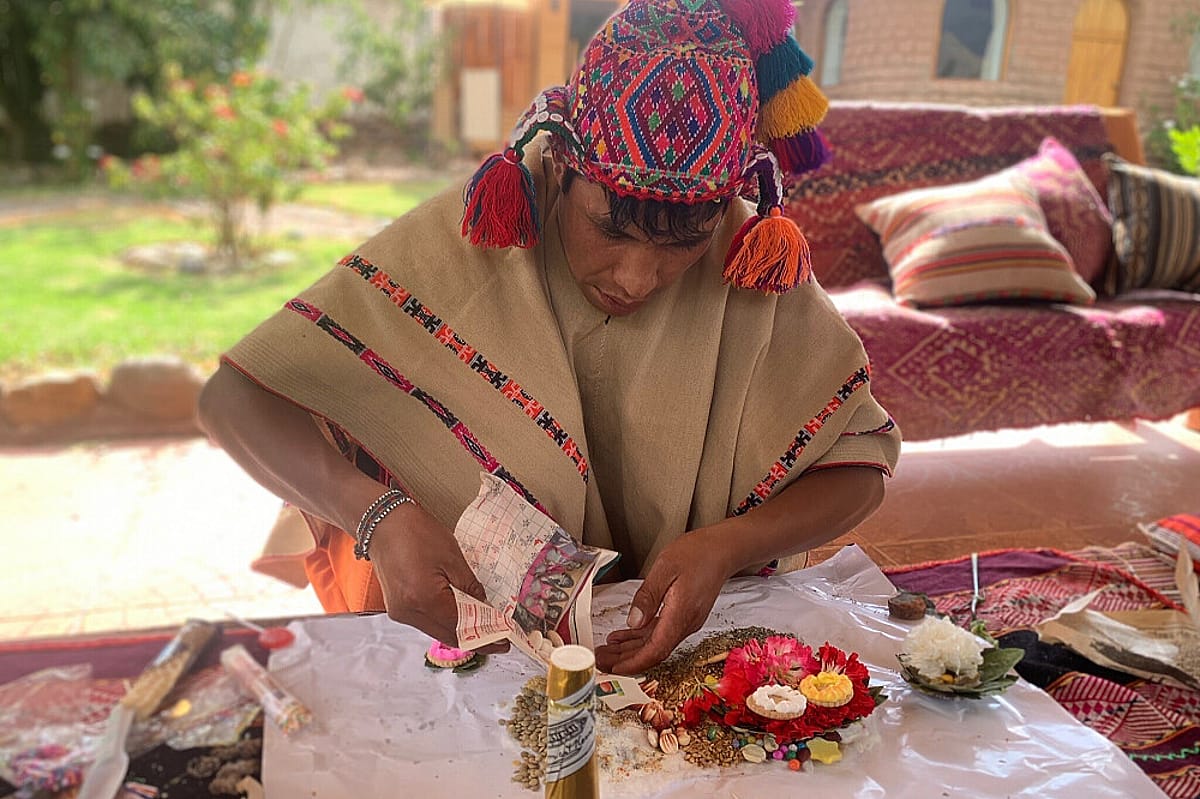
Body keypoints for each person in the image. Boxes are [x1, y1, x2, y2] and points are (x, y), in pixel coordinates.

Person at [197, 0, 900, 676]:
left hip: (667, 650)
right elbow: (233, 399)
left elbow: (860, 458)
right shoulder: (478, 235)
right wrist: (376, 515)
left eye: (681, 241)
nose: (636, 276)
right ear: (561, 165)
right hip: (463, 645)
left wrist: (731, 543)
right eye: (611, 229)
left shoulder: (740, 258)